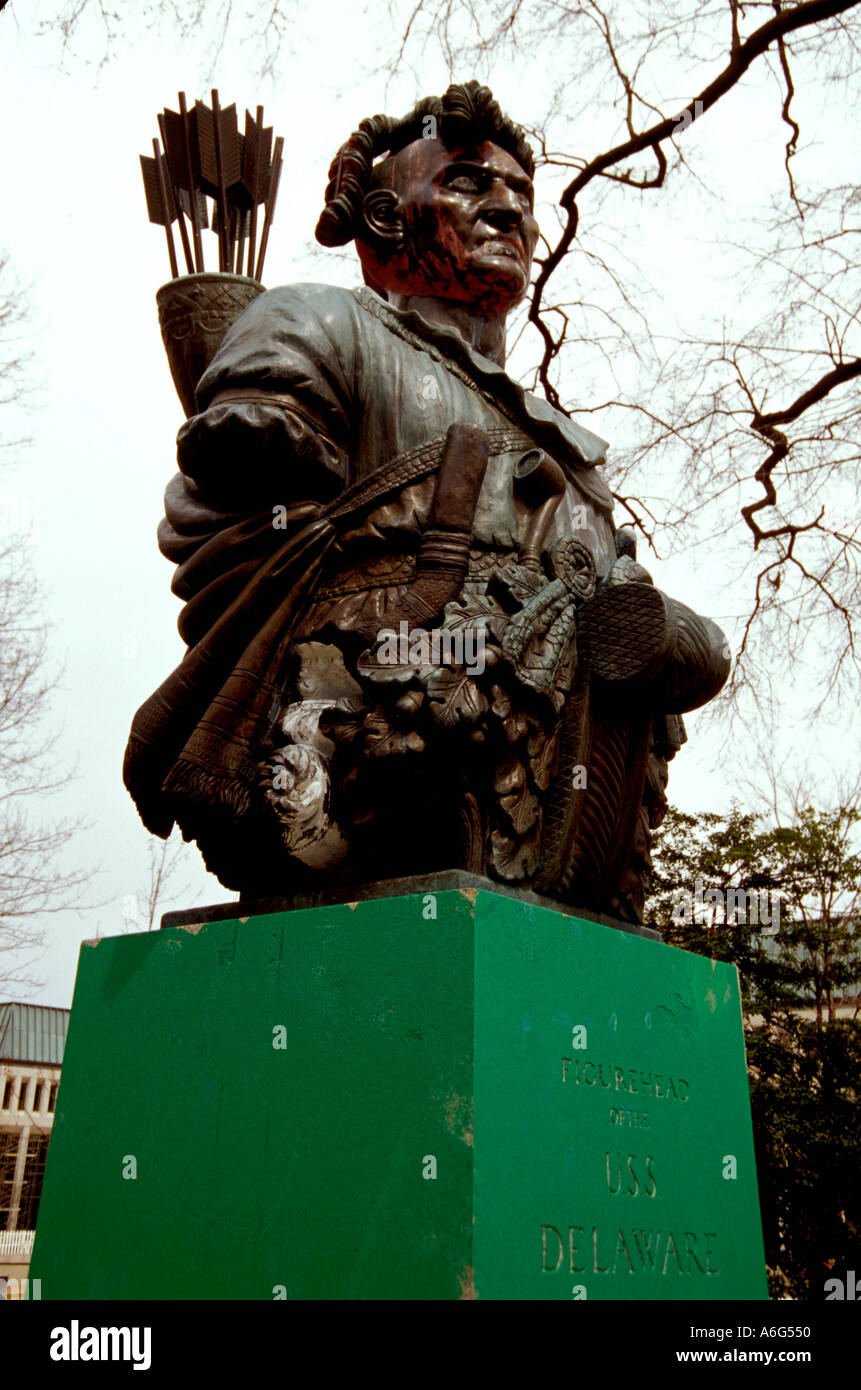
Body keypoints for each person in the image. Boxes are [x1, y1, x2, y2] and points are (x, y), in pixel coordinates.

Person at [124, 81, 728, 917]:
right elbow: (246, 474)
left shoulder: (567, 444)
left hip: (570, 772)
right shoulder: (321, 321)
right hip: (395, 727)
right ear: (381, 215)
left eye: (521, 194)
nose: (508, 210)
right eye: (469, 184)